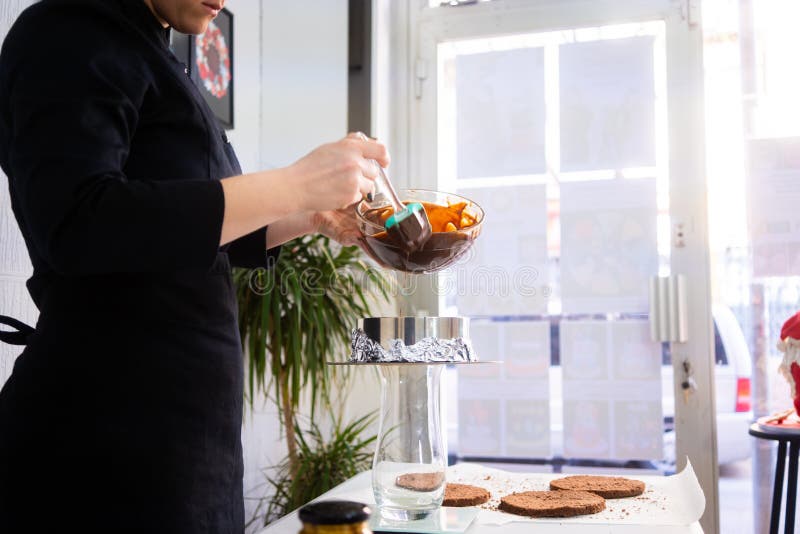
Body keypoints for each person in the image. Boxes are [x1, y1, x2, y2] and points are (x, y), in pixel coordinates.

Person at [0, 0, 388, 532]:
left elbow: (194, 231)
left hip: (185, 434)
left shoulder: (156, 49)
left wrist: (312, 213)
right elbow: (79, 223)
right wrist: (294, 182)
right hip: (103, 439)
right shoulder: (67, 31)